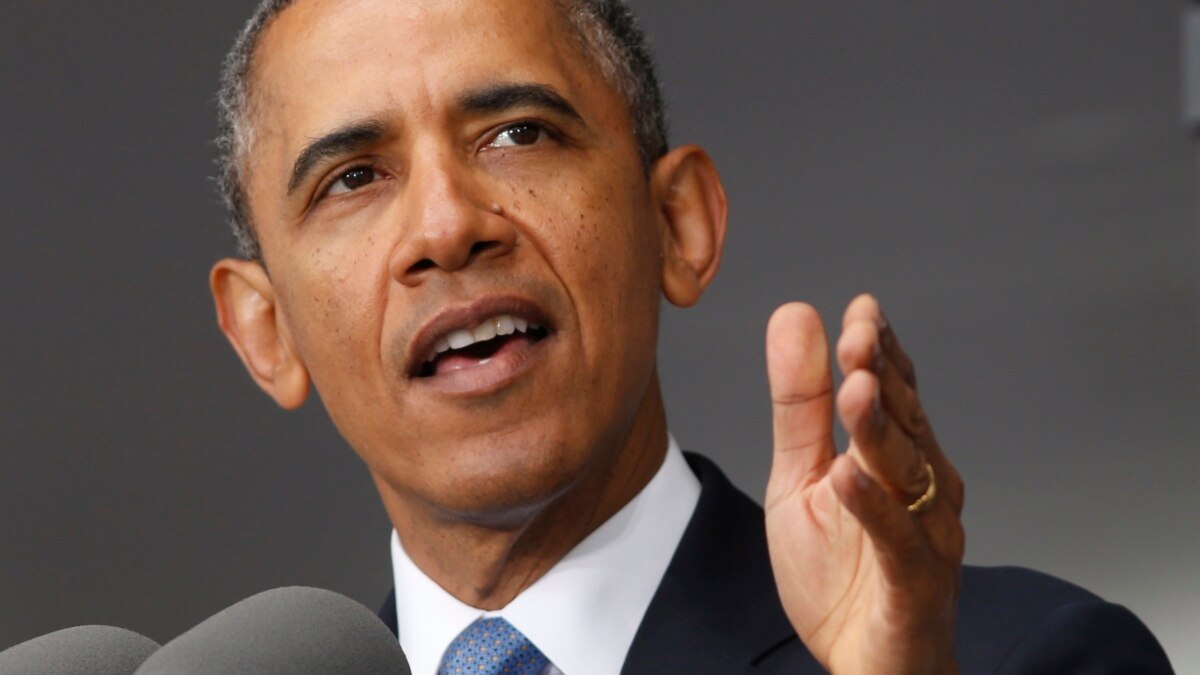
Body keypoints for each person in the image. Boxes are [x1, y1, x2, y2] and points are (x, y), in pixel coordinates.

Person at [208, 0, 1173, 672]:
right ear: (266, 331)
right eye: (353, 179)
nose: (447, 225)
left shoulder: (1022, 656)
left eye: (519, 133)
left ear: (679, 224)